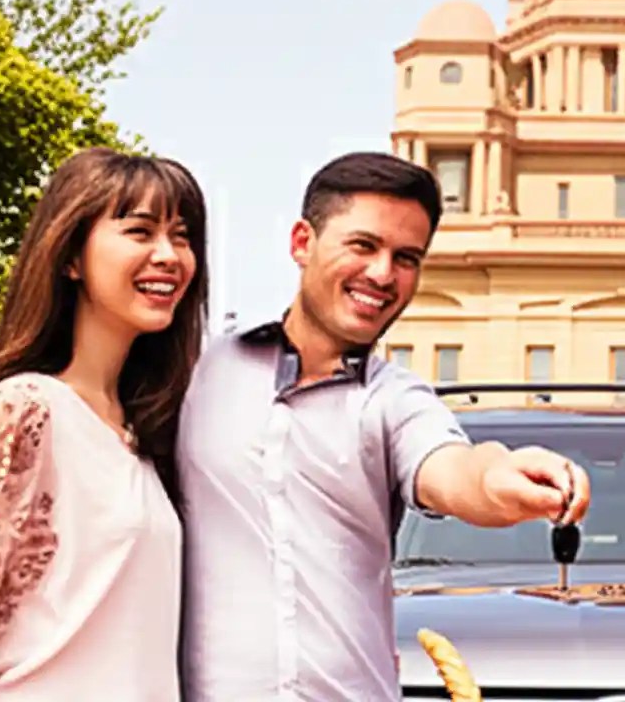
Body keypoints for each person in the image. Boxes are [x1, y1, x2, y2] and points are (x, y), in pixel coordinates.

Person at [176, 151, 592, 701]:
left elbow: (453, 468)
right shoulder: (197, 372)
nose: (382, 274)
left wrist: (500, 479)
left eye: (407, 258)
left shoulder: (395, 399)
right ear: (303, 243)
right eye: (364, 245)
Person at [0, 147, 208, 700]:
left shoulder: (149, 436)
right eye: (140, 231)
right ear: (70, 256)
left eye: (182, 235)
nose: (169, 255)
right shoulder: (26, 410)